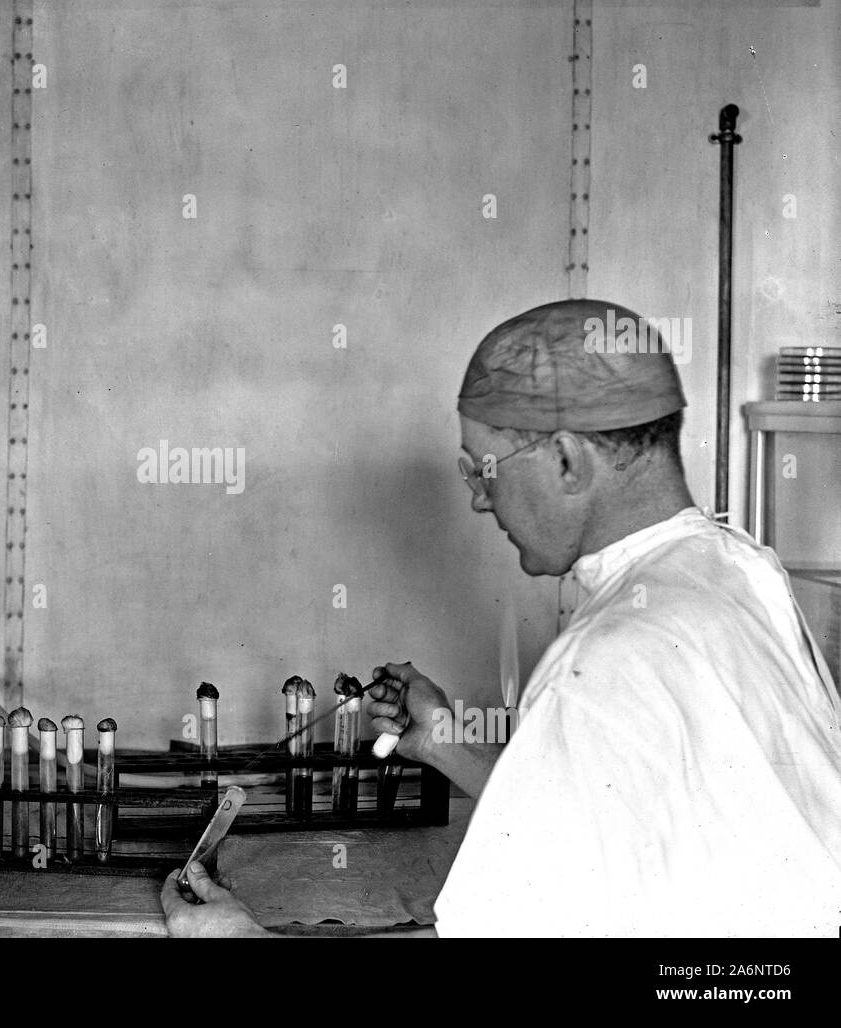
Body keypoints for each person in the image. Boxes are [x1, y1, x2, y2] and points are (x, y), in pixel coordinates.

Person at [162, 298, 841, 938]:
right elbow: (622, 815)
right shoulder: (743, 571)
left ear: (569, 459)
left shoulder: (604, 661)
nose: (481, 502)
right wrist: (444, 743)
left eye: (483, 471)